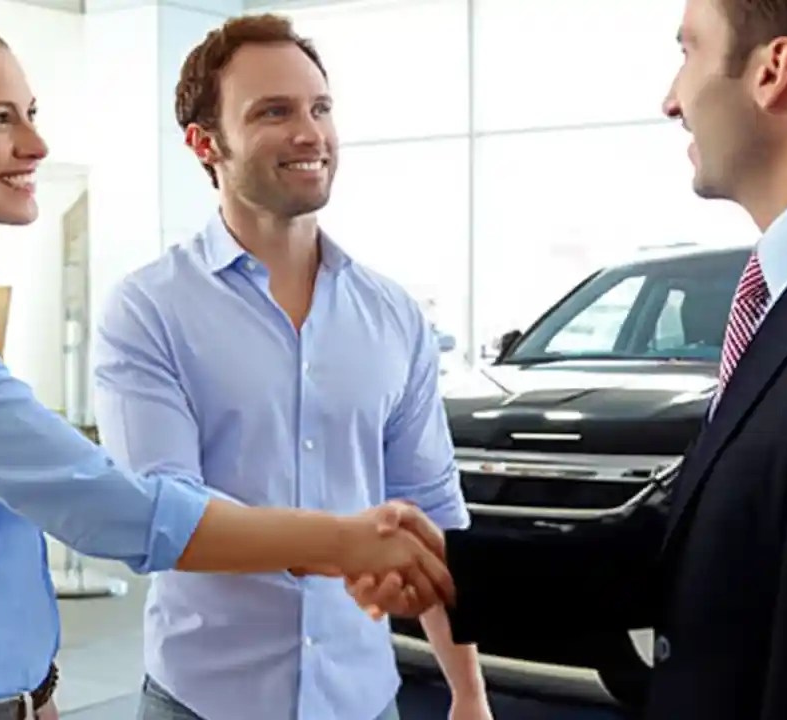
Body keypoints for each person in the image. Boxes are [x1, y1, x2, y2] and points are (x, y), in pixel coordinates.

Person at [0, 16, 452, 720]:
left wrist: (32, 693)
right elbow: (113, 508)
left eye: (31, 114)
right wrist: (343, 540)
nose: (37, 144)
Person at [361, 0, 787, 718]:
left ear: (772, 70)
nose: (670, 99)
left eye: (688, 50)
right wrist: (438, 564)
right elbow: (680, 551)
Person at [89, 13, 491, 720]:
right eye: (274, 112)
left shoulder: (392, 314)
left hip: (362, 698)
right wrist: (341, 545)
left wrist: (468, 691)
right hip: (206, 701)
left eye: (320, 108)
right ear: (204, 143)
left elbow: (429, 510)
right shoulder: (149, 309)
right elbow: (164, 518)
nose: (310, 133)